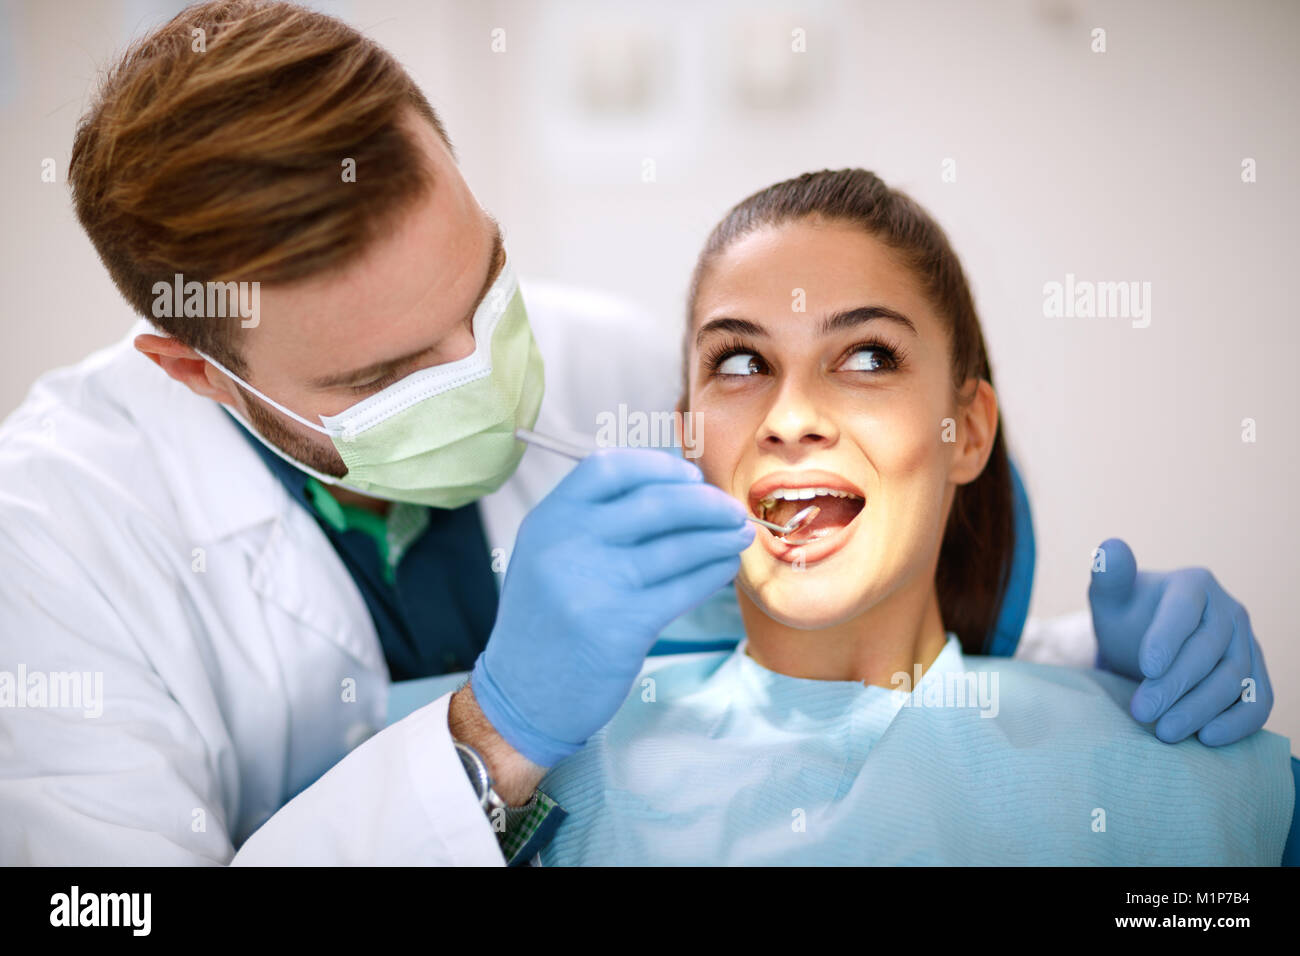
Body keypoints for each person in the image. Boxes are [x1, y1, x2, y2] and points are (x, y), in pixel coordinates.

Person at [0, 1, 1277, 866]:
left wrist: (1080, 670)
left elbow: (834, 674)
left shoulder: (607, 362)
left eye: (481, 287)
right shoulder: (54, 537)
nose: (484, 378)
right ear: (197, 370)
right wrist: (489, 741)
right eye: (390, 370)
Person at [532, 169, 1295, 865]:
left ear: (966, 431)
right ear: (689, 436)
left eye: (868, 357)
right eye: (741, 363)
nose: (791, 418)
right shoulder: (545, 775)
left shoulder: (1184, 781)